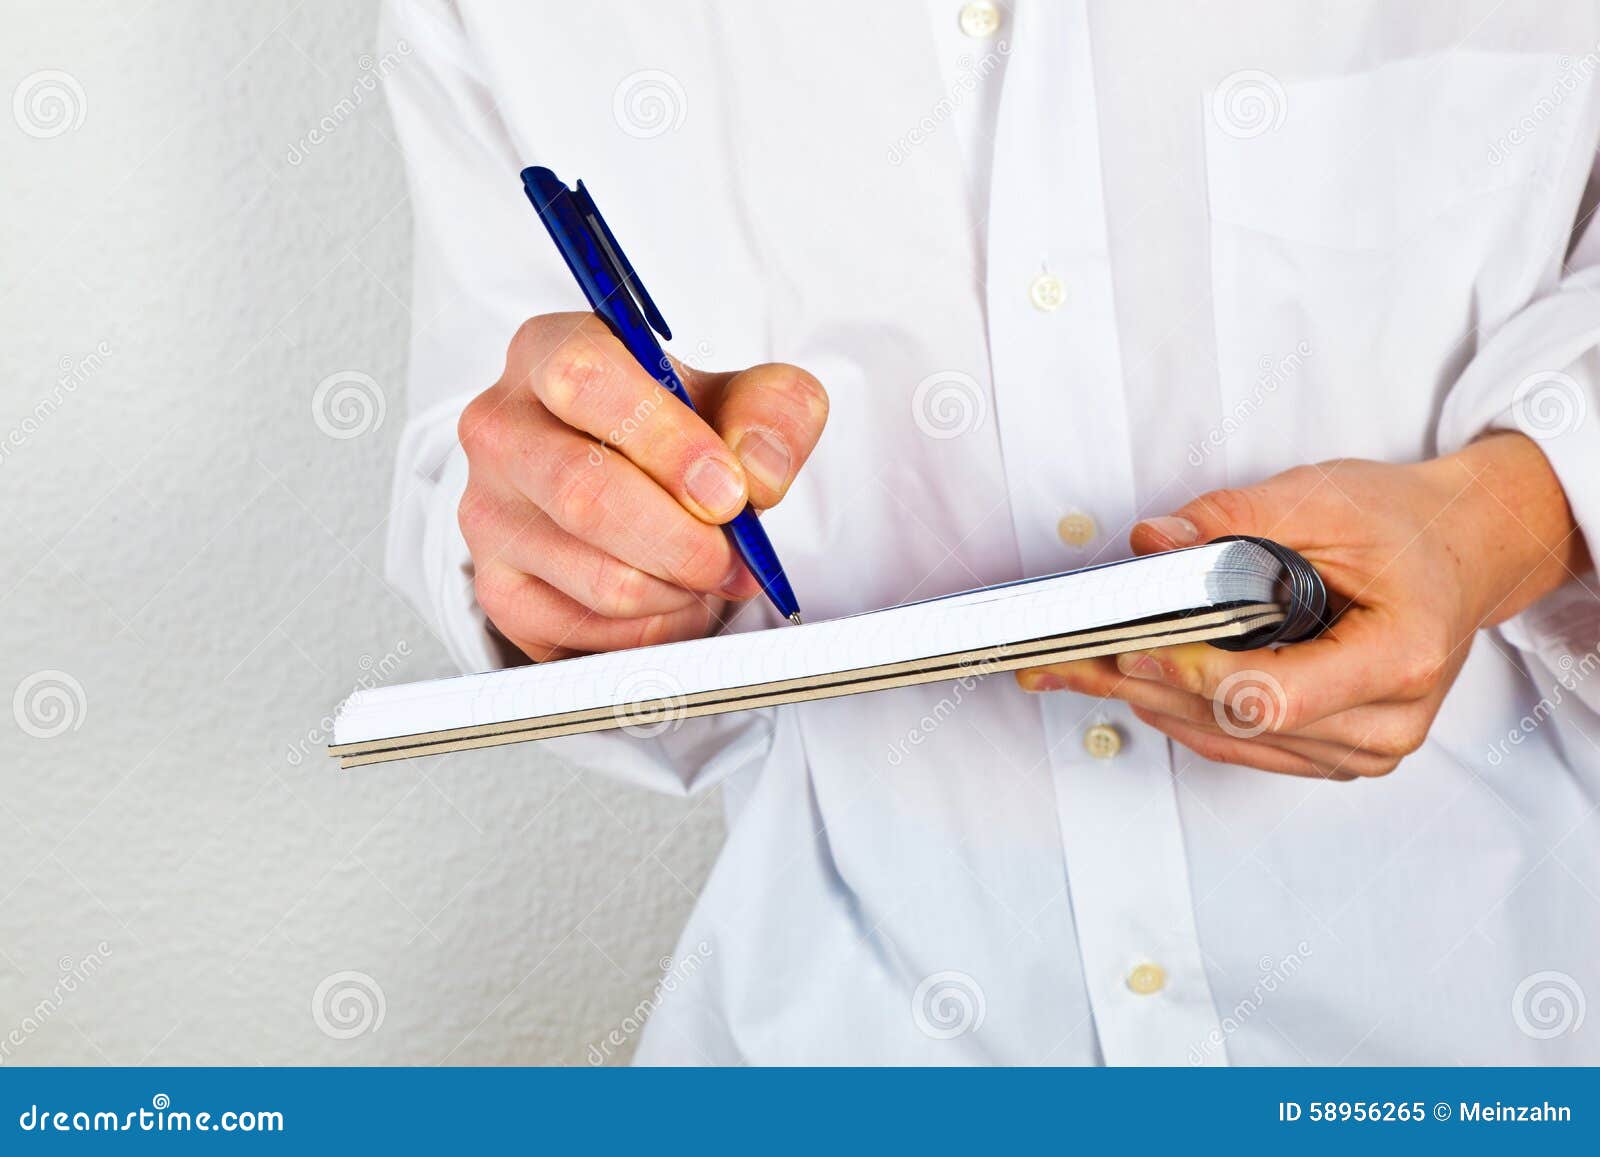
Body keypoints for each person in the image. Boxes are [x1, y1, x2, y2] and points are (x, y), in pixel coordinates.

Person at [382, 0, 1600, 1063]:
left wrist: (1504, 522)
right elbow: (481, 454)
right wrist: (589, 555)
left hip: (1482, 1028)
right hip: (848, 1038)